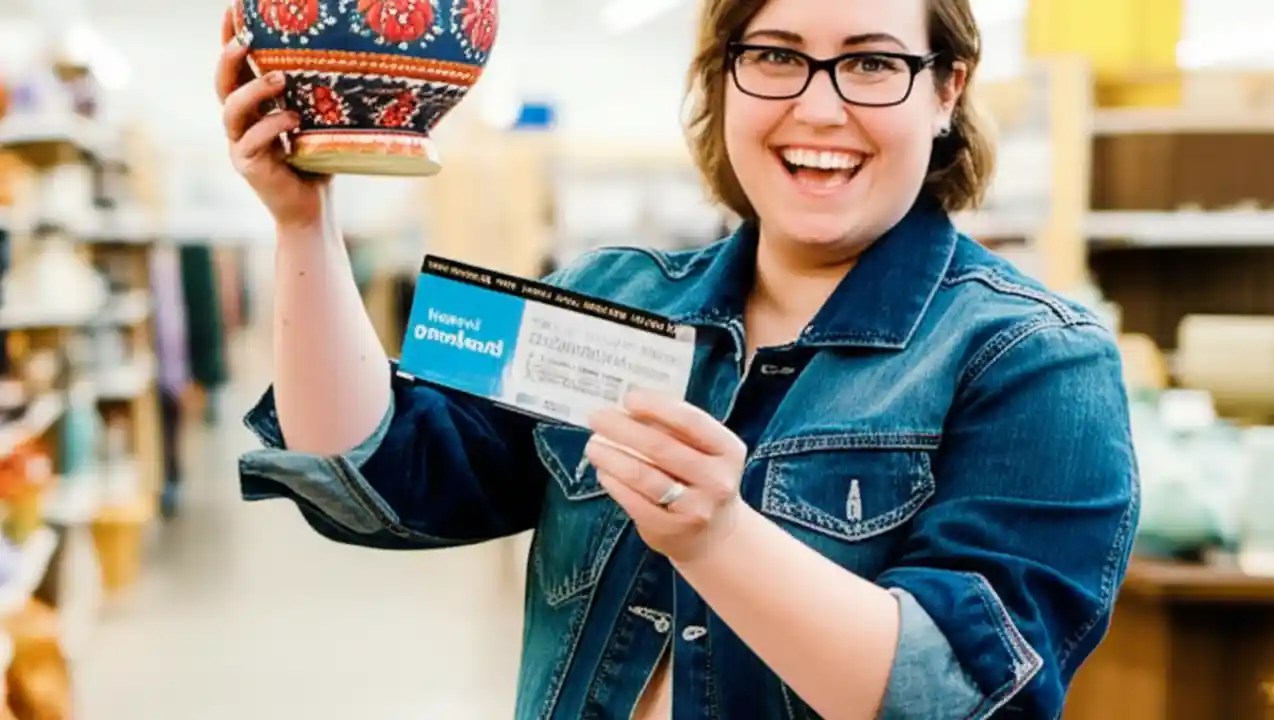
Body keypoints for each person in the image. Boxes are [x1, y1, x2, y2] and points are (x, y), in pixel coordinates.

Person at [218, 0, 1139, 717]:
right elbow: (380, 474)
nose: (819, 106)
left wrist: (719, 537)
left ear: (946, 90)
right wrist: (305, 222)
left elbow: (967, 697)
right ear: (725, 80)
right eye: (775, 56)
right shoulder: (617, 297)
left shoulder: (1035, 360)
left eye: (871, 62)